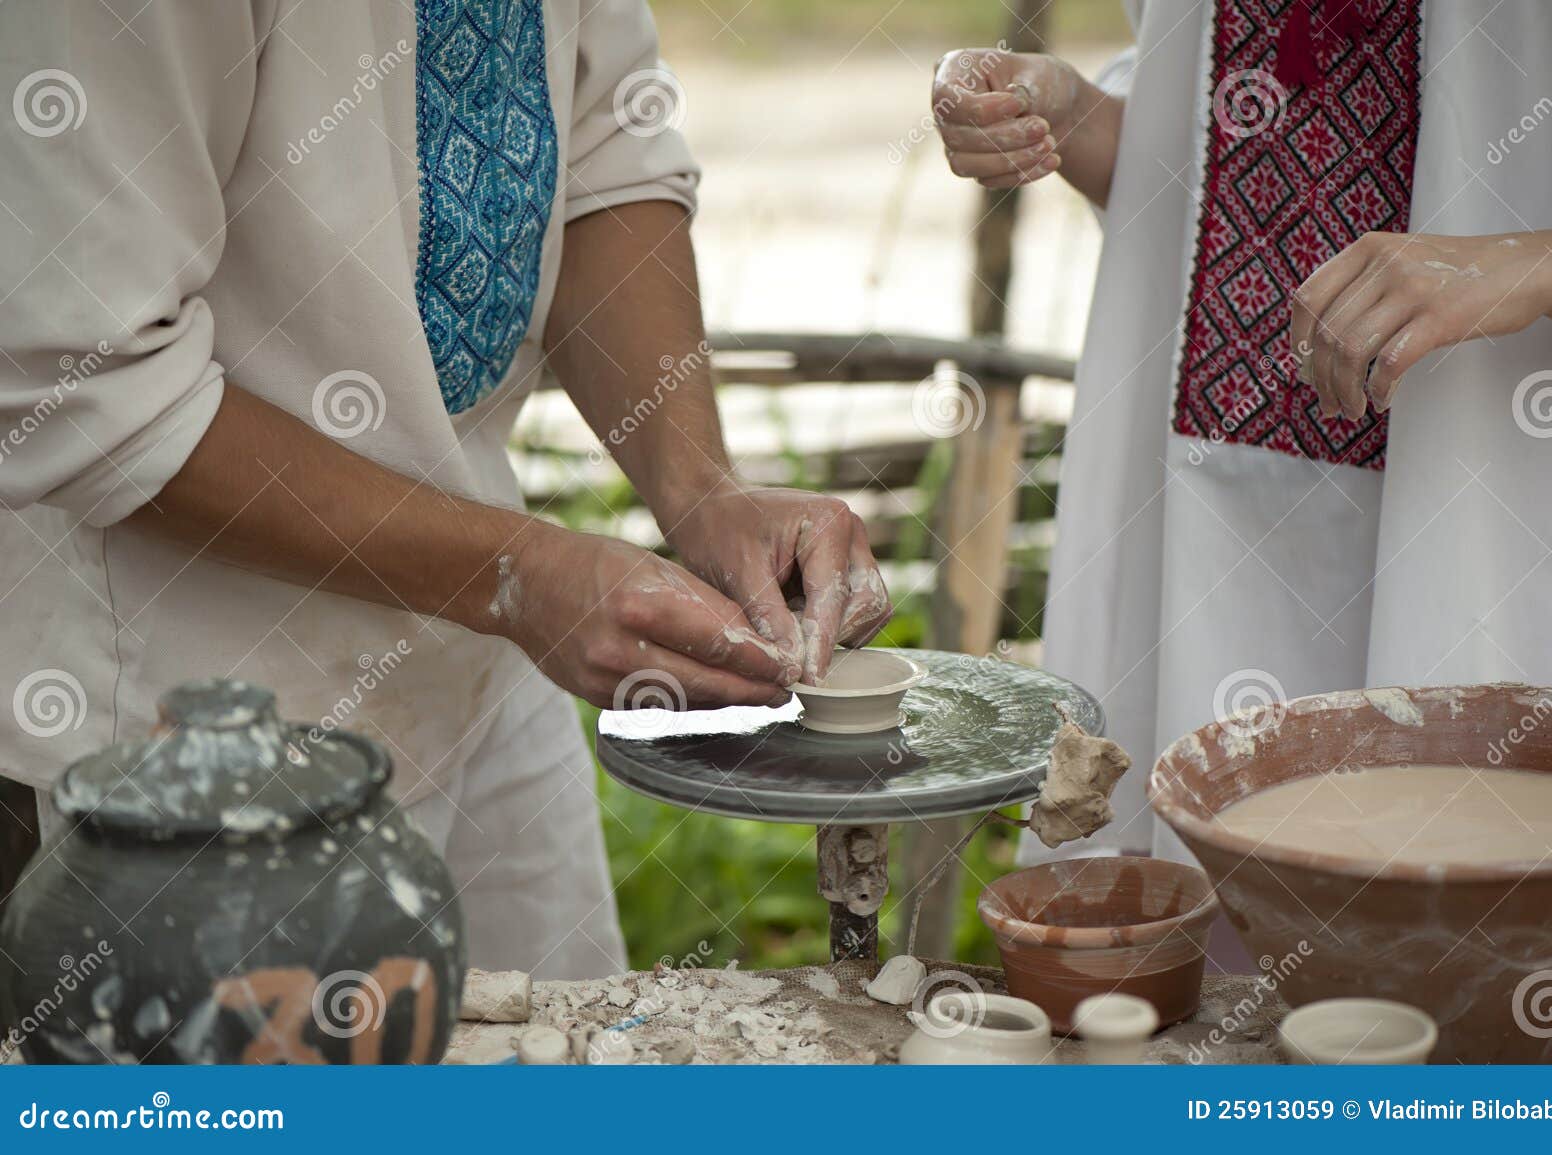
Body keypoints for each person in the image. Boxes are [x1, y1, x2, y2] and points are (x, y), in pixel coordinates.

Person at [0, 0, 888, 976]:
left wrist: (702, 491)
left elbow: (606, 156)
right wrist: (515, 573)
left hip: (485, 662)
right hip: (203, 714)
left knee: (553, 1076)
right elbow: (93, 376)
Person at [933, 0, 1552, 879]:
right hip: (1193, 532)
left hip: (1508, 516)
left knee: (1471, 938)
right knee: (1186, 956)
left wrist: (1547, 261)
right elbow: (1209, 155)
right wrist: (1075, 118)